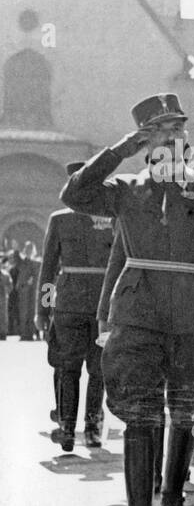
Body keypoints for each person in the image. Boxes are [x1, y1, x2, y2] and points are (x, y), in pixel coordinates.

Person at [61, 93, 194, 506]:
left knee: (184, 410)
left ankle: (175, 500)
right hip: (138, 316)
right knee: (139, 415)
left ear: (187, 138)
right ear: (144, 141)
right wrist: (118, 151)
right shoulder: (126, 190)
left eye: (177, 129)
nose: (171, 138)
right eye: (159, 131)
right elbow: (74, 193)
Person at [36, 162, 115, 450]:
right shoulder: (112, 218)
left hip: (68, 303)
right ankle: (92, 429)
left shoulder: (59, 219)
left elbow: (47, 270)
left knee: (69, 368)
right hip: (103, 306)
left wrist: (43, 310)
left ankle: (67, 428)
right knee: (98, 369)